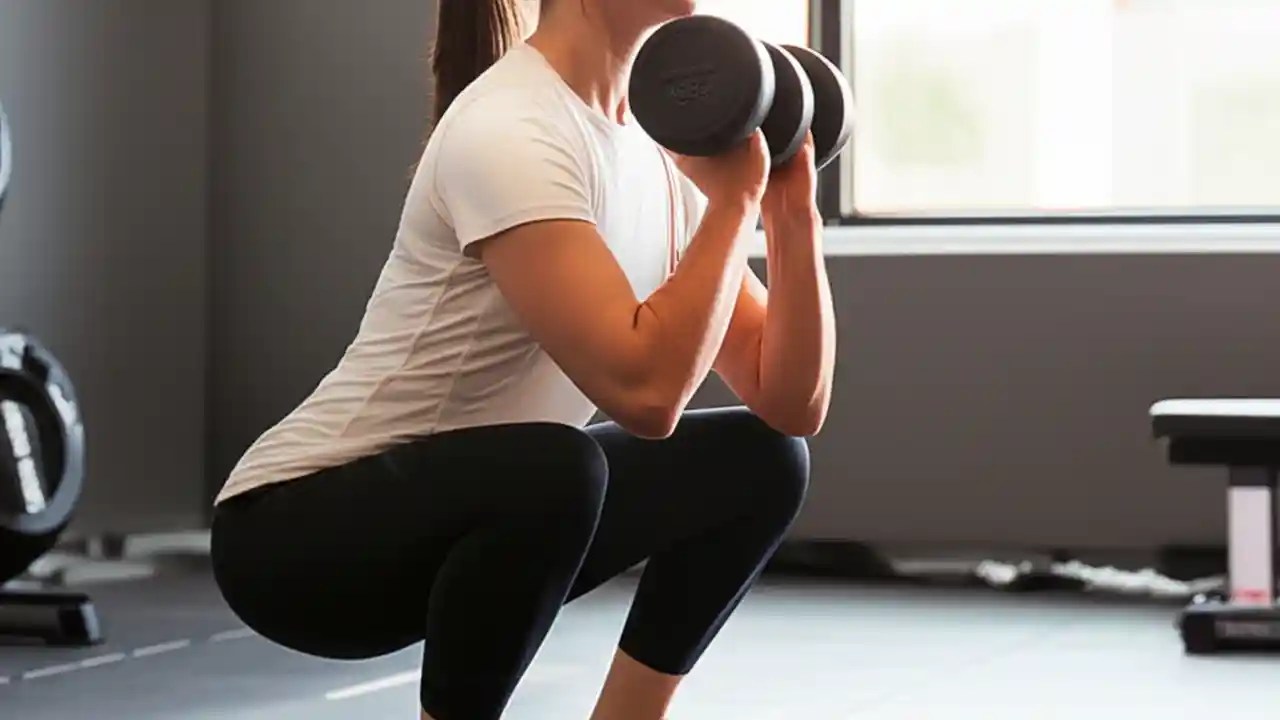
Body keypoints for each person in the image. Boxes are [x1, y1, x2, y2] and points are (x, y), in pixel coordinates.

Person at [209, 0, 837, 718]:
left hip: (486, 504)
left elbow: (790, 399)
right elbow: (648, 395)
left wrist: (791, 217)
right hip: (297, 536)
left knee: (760, 459)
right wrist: (731, 207)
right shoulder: (510, 128)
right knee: (557, 469)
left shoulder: (654, 155)